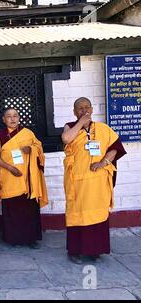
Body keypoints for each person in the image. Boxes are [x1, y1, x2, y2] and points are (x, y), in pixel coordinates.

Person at [61, 97, 126, 264]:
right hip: (78, 182)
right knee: (77, 214)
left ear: (92, 109)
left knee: (97, 213)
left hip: (97, 181)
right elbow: (67, 139)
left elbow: (115, 148)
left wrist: (103, 162)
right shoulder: (70, 126)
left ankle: (94, 250)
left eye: (86, 108)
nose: (84, 111)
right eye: (80, 109)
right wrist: (81, 123)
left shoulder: (103, 129)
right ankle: (75, 251)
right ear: (74, 112)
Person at [0, 107, 48, 248]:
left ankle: (31, 239)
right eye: (9, 116)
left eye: (15, 116)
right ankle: (13, 238)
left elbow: (39, 148)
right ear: (3, 119)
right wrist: (10, 168)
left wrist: (32, 150)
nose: (12, 119)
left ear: (19, 118)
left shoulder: (27, 133)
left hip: (27, 178)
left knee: (28, 208)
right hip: (9, 175)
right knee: (12, 208)